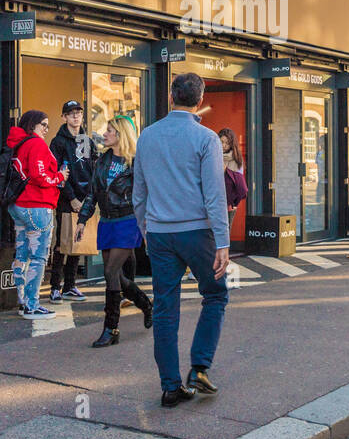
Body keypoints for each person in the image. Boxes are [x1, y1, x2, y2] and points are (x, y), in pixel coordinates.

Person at [133, 73, 230, 408]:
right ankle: (199, 368)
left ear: (171, 97)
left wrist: (147, 232)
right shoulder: (206, 139)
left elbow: (139, 194)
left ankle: (170, 387)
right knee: (215, 294)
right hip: (198, 232)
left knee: (164, 308)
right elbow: (215, 196)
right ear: (199, 100)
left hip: (160, 233)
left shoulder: (147, 136)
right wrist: (223, 242)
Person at [77, 115, 152, 347]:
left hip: (128, 221)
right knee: (117, 275)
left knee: (110, 271)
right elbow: (92, 193)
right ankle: (147, 305)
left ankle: (111, 329)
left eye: (109, 130)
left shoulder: (136, 162)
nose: (105, 133)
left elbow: (149, 192)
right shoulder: (102, 161)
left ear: (120, 134)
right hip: (107, 221)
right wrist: (82, 220)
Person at [7, 111, 66, 318]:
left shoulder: (17, 144)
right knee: (39, 257)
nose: (46, 129)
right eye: (44, 125)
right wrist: (59, 176)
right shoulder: (37, 144)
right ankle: (32, 305)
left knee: (22, 254)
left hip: (18, 206)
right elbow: (40, 176)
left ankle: (22, 300)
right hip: (37, 206)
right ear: (32, 125)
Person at [48, 100, 95, 302]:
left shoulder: (87, 141)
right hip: (66, 200)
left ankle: (70, 286)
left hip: (85, 200)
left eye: (78, 113)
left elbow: (90, 170)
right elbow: (58, 174)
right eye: (71, 113)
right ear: (64, 117)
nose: (76, 116)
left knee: (78, 243)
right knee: (62, 244)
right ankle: (54, 287)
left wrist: (87, 198)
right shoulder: (58, 142)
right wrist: (72, 198)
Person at [218, 128, 248, 229]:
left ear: (232, 144)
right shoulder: (212, 156)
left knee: (225, 233)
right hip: (214, 200)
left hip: (229, 204)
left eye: (227, 143)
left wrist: (236, 202)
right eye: (221, 142)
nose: (223, 145)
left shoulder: (237, 160)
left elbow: (240, 185)